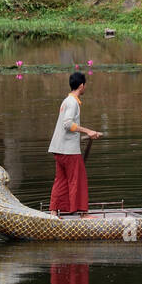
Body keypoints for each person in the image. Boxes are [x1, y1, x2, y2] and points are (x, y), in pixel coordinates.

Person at [47, 71, 101, 216]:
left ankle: (53, 211)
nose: (85, 88)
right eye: (85, 86)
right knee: (78, 179)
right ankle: (83, 213)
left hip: (58, 149)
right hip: (68, 150)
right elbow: (67, 124)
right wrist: (88, 131)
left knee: (61, 180)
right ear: (81, 86)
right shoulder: (72, 103)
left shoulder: (66, 100)